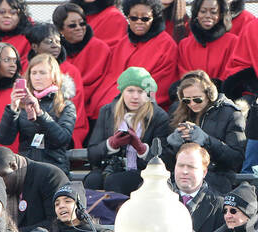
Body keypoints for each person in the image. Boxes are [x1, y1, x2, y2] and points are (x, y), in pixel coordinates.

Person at [83, 66, 170, 196]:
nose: (135, 96)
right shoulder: (107, 111)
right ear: (122, 92)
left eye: (140, 91)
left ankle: (118, 216)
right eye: (130, 91)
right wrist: (111, 144)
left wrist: (142, 149)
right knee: (92, 180)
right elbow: (92, 154)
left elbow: (165, 159)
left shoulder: (158, 116)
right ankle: (90, 216)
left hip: (142, 171)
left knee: (115, 181)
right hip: (110, 166)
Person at [163, 70, 245, 194]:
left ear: (209, 94)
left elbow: (236, 159)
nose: (192, 104)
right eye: (186, 100)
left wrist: (207, 141)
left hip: (216, 177)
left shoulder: (231, 113)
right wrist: (173, 145)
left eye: (197, 99)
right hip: (181, 178)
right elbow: (166, 161)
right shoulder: (178, 112)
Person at [0, 55, 76, 172]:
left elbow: (62, 139)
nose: (37, 77)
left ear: (54, 76)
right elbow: (3, 139)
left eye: (42, 73)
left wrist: (39, 113)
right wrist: (12, 109)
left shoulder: (65, 105)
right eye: (34, 73)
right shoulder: (23, 104)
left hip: (54, 170)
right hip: (26, 169)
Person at [96, 0, 177, 109]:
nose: (139, 22)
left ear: (154, 18)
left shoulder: (166, 45)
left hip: (138, 110)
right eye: (134, 18)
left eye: (145, 19)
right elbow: (109, 78)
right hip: (105, 106)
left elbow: (159, 88)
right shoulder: (123, 42)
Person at [55, 4, 110, 137]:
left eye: (82, 23)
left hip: (92, 109)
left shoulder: (100, 48)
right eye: (72, 25)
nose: (79, 28)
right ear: (60, 30)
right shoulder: (55, 51)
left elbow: (100, 82)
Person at [170, 143, 223, 232]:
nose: (184, 171)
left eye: (191, 167)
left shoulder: (220, 205)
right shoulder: (161, 198)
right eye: (181, 165)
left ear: (204, 172)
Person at [175, 0, 237, 82]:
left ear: (221, 15)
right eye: (203, 11)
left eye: (214, 12)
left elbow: (232, 71)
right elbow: (182, 72)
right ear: (196, 13)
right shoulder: (184, 45)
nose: (208, 16)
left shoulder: (233, 42)